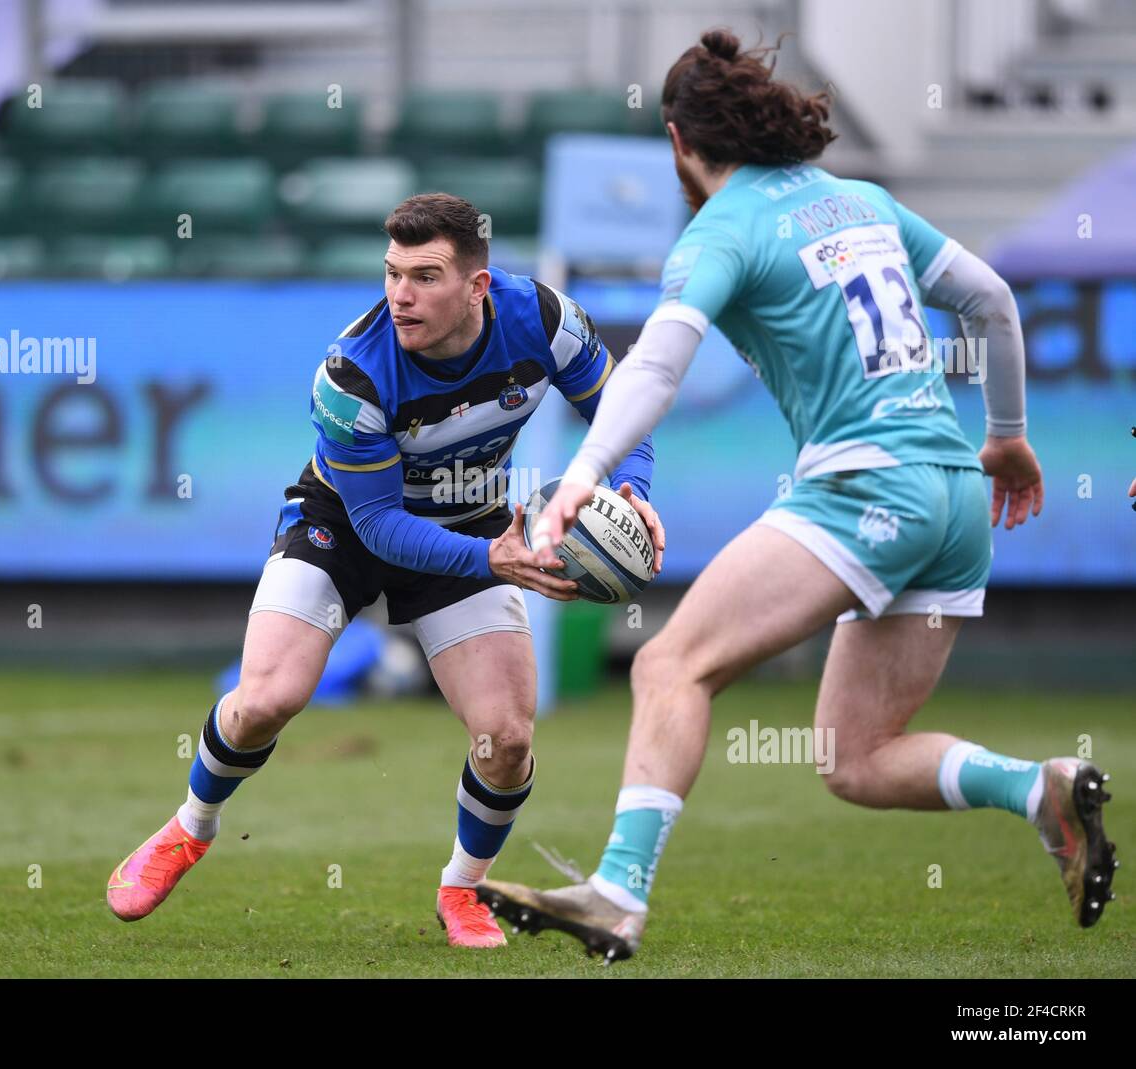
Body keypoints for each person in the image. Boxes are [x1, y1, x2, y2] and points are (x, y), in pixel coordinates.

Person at [476, 29, 1117, 961]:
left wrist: (578, 476)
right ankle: (1040, 789)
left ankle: (617, 890)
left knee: (668, 667)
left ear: (677, 141)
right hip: (954, 499)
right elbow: (993, 302)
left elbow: (656, 365)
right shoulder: (863, 201)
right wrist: (1009, 436)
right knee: (853, 758)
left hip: (865, 485)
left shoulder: (723, 230)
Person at [106, 192, 664, 948]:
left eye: (425, 276)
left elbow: (621, 412)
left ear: (478, 286)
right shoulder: (352, 376)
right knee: (265, 700)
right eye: (393, 273)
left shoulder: (544, 319)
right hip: (341, 522)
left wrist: (632, 491)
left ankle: (462, 889)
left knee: (506, 738)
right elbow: (378, 526)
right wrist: (494, 558)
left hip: (467, 516)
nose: (401, 294)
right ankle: (189, 827)